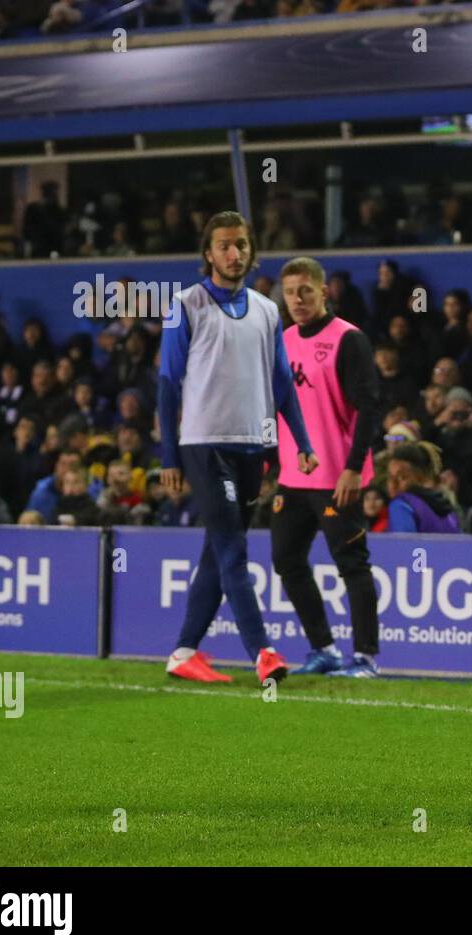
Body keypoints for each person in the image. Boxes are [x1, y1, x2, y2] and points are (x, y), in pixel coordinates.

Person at [158, 211, 317, 686]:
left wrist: (302, 442)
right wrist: (168, 455)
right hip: (205, 446)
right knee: (233, 549)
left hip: (254, 446)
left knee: (217, 551)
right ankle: (262, 651)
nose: (234, 254)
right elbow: (167, 383)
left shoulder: (268, 310)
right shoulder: (184, 305)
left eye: (242, 245)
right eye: (225, 245)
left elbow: (283, 381)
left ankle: (185, 651)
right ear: (208, 253)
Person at [269, 257, 383, 679]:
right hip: (292, 477)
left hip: (337, 476)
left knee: (351, 563)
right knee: (285, 559)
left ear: (324, 291)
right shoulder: (282, 340)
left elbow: (370, 408)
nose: (297, 300)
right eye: (290, 292)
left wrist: (354, 468)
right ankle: (324, 649)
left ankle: (366, 659)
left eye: (305, 291)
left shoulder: (348, 339)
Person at [386, 441, 460, 533]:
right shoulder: (448, 510)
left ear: (421, 478)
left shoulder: (401, 505)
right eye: (390, 477)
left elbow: (403, 545)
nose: (393, 484)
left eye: (402, 477)